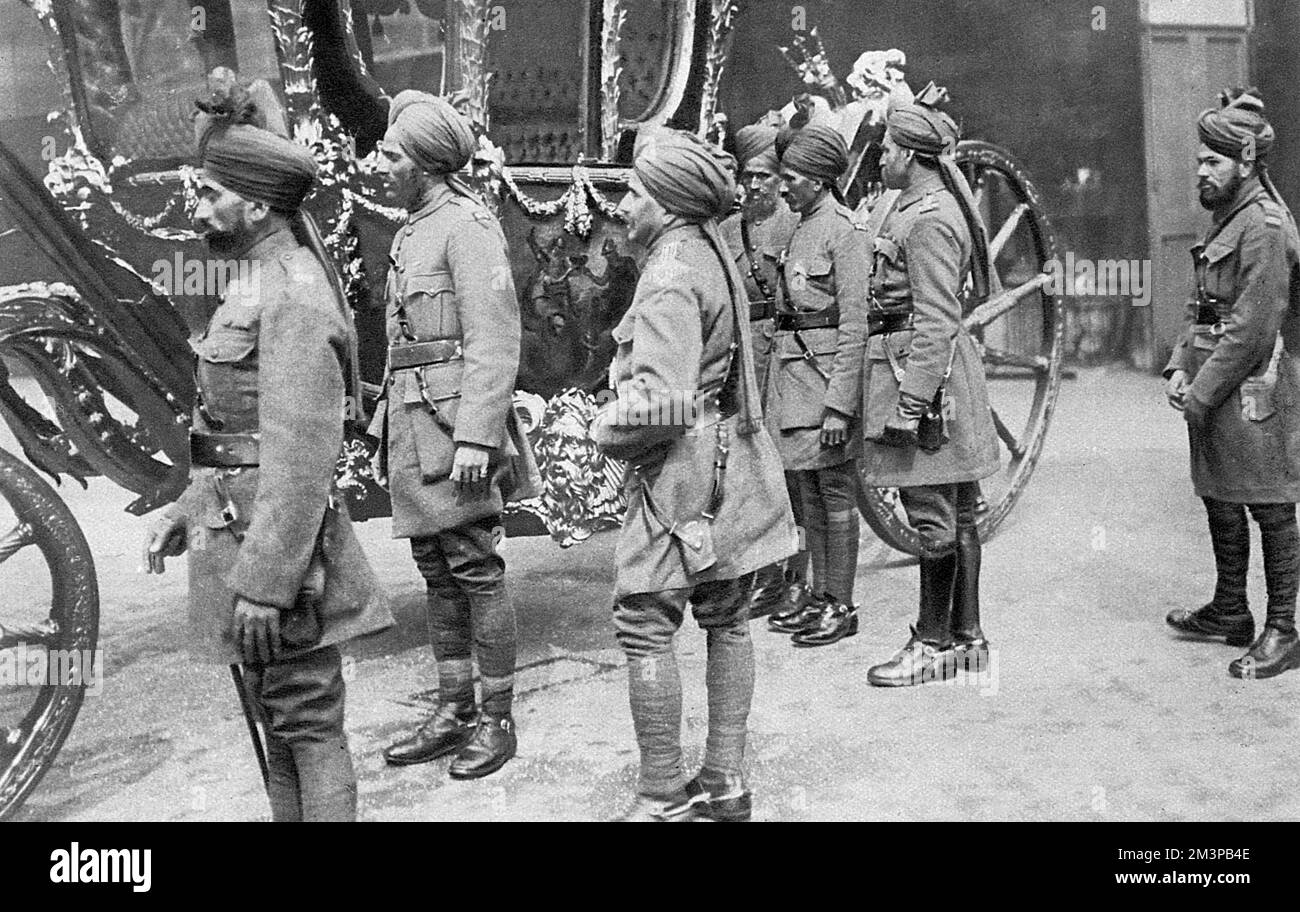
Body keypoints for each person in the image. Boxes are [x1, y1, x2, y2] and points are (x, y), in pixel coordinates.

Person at [143, 84, 393, 821]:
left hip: (276, 555)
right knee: (277, 723)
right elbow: (228, 428)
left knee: (308, 725)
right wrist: (186, 506)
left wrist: (267, 584)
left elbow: (301, 453)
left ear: (256, 205)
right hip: (239, 536)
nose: (196, 207)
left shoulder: (294, 293)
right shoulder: (255, 281)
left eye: (210, 193)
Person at [594, 128, 798, 821]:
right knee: (728, 616)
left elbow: (661, 402)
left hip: (678, 474)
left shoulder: (668, 274)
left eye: (633, 191)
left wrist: (602, 428)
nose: (621, 204)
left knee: (645, 621)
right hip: (730, 458)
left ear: (669, 202)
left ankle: (661, 796)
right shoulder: (711, 251)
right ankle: (725, 783)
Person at [372, 91, 538, 777]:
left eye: (390, 155)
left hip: (453, 428)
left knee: (475, 568)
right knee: (436, 572)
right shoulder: (413, 229)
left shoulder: (467, 226)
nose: (378, 164)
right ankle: (453, 707)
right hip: (413, 424)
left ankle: (496, 718)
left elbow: (494, 340)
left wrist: (477, 437)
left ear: (427, 164)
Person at [859, 85, 1000, 686]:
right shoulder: (910, 207)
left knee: (935, 519)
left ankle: (932, 643)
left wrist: (912, 405)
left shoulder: (932, 219)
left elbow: (937, 320)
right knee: (959, 515)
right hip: (931, 373)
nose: (880, 157)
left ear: (912, 155)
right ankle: (967, 641)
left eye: (887, 148)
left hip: (924, 381)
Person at [1163, 88, 1300, 679]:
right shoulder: (1229, 218)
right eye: (1199, 159)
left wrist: (1199, 391)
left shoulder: (1264, 227)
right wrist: (1176, 363)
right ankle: (1229, 609)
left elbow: (1250, 328)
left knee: (1269, 505)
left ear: (1245, 162)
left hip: (1250, 391)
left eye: (1213, 161)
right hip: (1214, 382)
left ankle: (1284, 629)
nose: (1201, 169)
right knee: (1219, 491)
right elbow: (1201, 305)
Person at [762, 122, 871, 647]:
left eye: (793, 178)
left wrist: (839, 406)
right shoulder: (799, 227)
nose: (784, 187)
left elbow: (855, 327)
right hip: (794, 384)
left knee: (835, 494)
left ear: (821, 181)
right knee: (806, 497)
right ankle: (816, 594)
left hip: (825, 386)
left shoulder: (844, 233)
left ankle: (840, 605)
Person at [721, 121, 804, 620]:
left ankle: (797, 577)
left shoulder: (794, 226)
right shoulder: (729, 231)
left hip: (785, 354)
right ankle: (764, 574)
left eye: (764, 177)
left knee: (791, 471)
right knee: (750, 469)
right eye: (747, 177)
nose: (753, 187)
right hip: (744, 357)